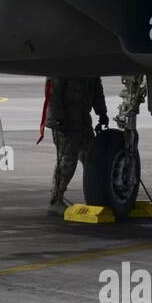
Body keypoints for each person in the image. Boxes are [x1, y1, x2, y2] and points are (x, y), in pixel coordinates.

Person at [38, 76, 109, 212]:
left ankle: (95, 197)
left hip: (82, 119)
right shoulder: (64, 64)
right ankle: (55, 200)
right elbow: (54, 94)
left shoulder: (91, 66)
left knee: (92, 158)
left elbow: (97, 88)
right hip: (65, 120)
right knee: (67, 161)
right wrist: (58, 118)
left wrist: (102, 112)